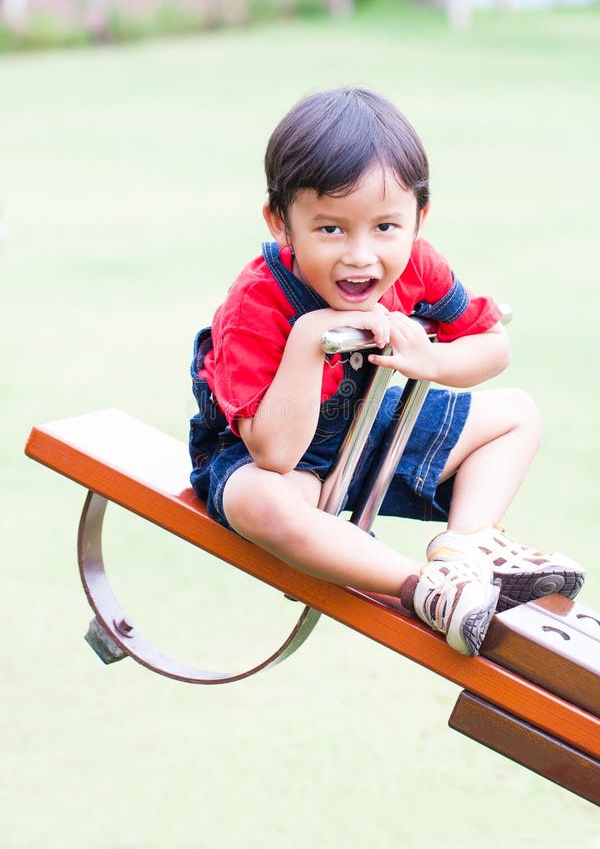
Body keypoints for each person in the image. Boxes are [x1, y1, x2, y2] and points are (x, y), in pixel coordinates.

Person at [188, 87, 585, 656]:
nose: (360, 255)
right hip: (275, 463)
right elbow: (274, 453)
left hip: (368, 432)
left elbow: (492, 345)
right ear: (282, 223)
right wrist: (310, 336)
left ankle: (466, 546)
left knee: (517, 415)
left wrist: (433, 360)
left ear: (418, 219)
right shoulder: (258, 302)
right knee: (258, 501)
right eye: (330, 229)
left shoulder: (417, 264)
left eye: (385, 227)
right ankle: (423, 588)